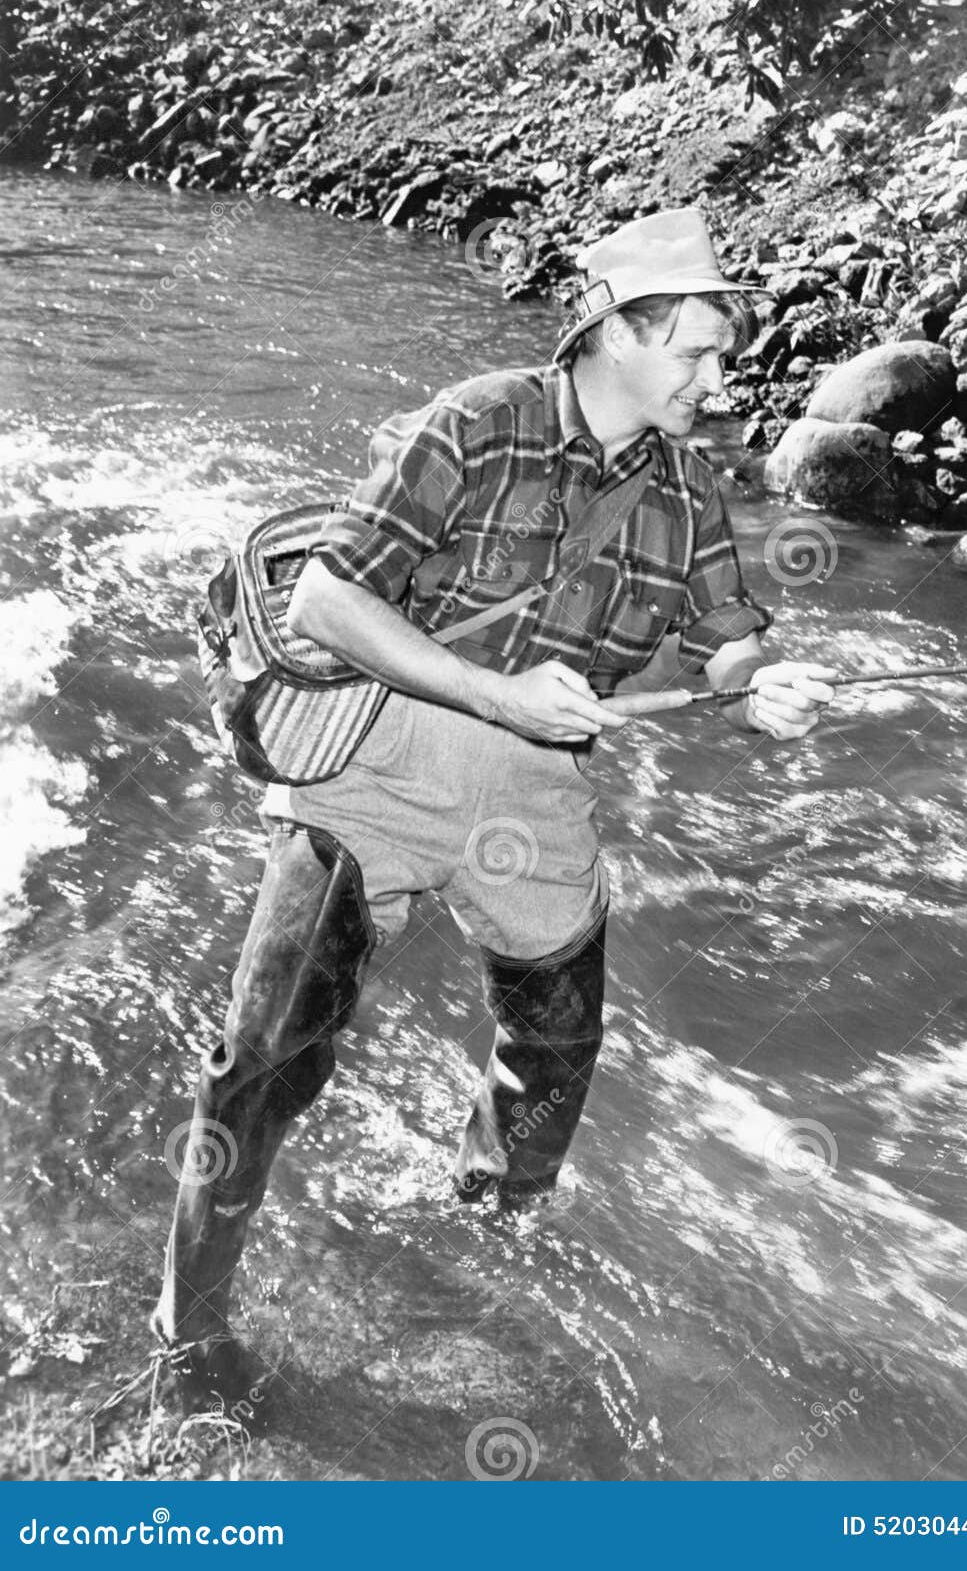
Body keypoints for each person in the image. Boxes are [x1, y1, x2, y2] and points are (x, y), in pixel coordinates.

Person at [153, 207, 838, 1411]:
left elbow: (723, 642)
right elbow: (324, 604)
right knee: (260, 1061)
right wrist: (493, 691)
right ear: (616, 332)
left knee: (555, 1048)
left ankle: (483, 1239)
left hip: (538, 788)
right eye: (695, 352)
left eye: (722, 357)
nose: (717, 382)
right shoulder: (477, 420)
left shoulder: (688, 488)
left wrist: (757, 685)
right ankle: (189, 1333)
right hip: (375, 764)